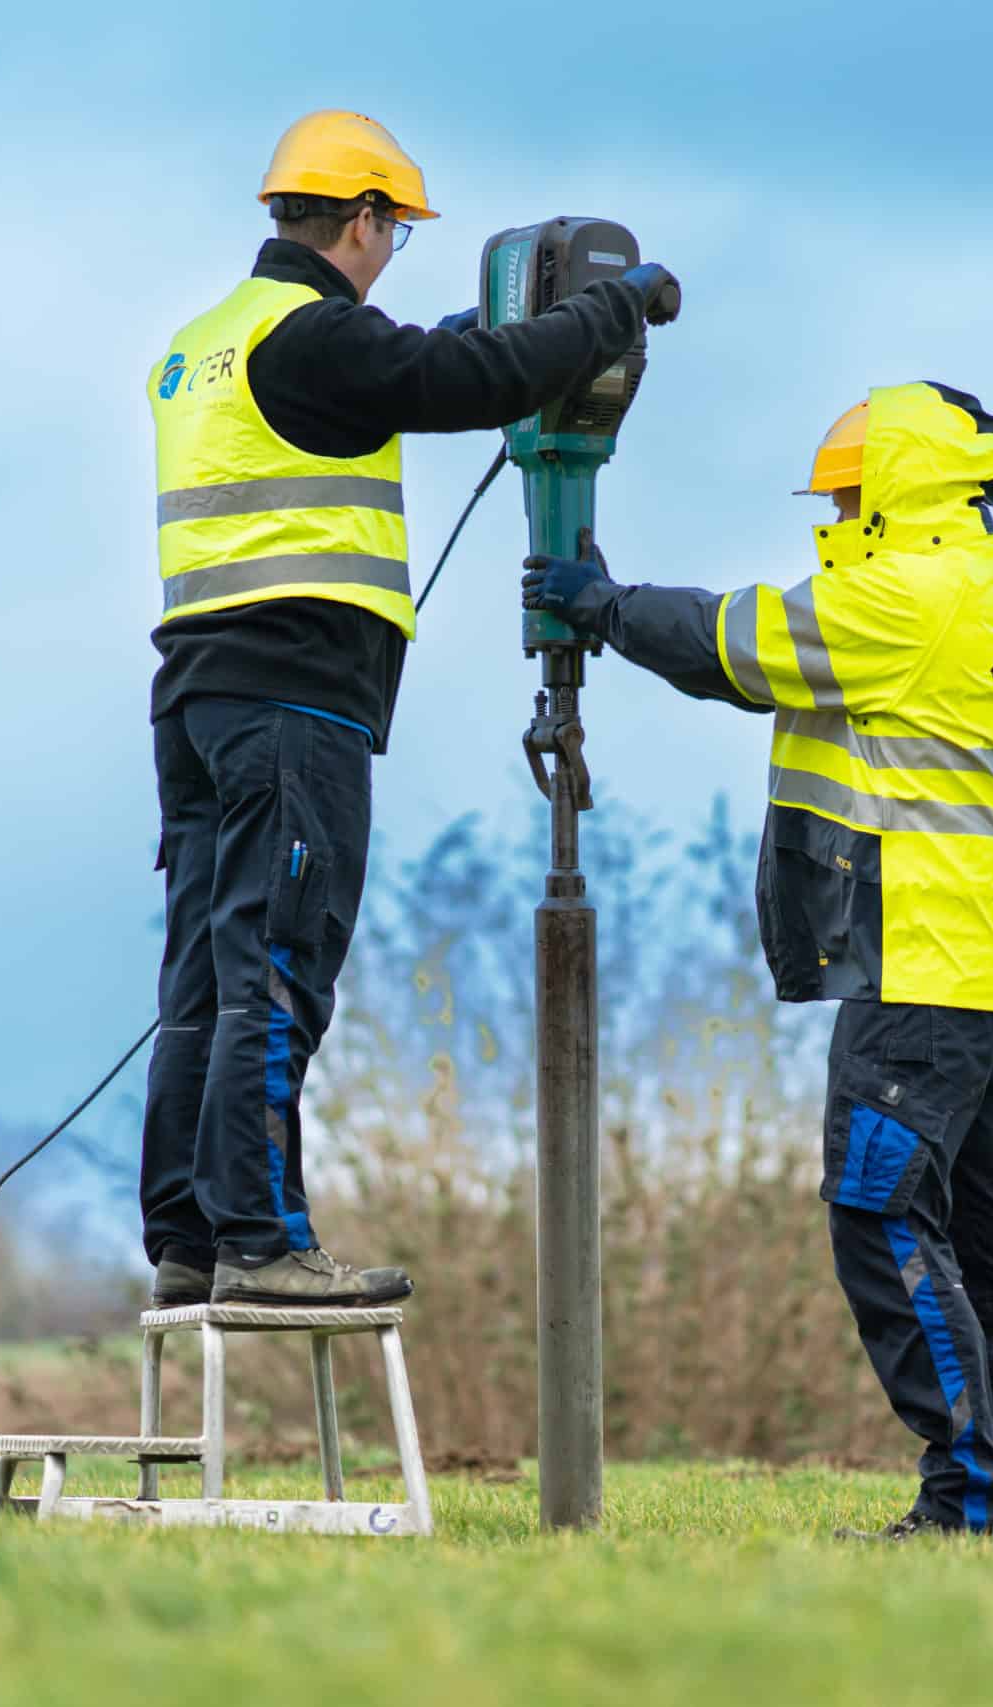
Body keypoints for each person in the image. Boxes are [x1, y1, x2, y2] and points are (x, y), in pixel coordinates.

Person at [519, 382, 993, 1534]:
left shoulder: (907, 595)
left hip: (920, 973)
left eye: (843, 491)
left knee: (877, 1210)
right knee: (991, 1244)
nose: (829, 510)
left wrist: (606, 607)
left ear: (892, 487)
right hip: (988, 975)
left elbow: (745, 641)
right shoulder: (979, 581)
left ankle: (971, 1499)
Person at [143, 111, 679, 1309]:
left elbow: (397, 364)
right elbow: (465, 382)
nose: (394, 251)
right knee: (276, 969)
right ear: (363, 219)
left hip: (201, 697)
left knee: (202, 979)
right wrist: (615, 308)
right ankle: (264, 1245)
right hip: (295, 696)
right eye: (395, 229)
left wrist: (484, 329)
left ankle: (187, 1238)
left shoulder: (211, 342)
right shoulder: (313, 339)